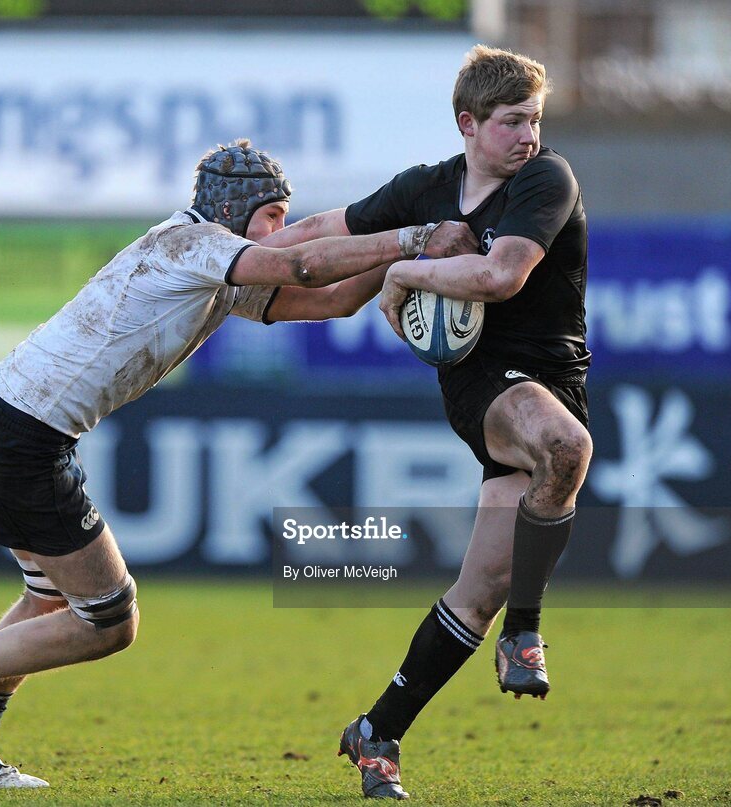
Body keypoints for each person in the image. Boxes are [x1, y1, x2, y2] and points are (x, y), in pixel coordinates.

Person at [0, 139, 477, 789]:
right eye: (274, 215)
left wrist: (404, 266)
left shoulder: (212, 264)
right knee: (109, 619)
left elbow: (330, 299)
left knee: (50, 598)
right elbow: (303, 264)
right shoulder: (192, 245)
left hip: (12, 422)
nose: (281, 228)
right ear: (237, 210)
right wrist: (416, 237)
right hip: (21, 435)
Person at [270, 46, 592, 799]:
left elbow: (501, 275)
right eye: (511, 122)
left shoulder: (547, 179)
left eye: (534, 120)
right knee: (565, 447)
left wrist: (403, 271)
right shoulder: (427, 186)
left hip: (556, 380)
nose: (528, 136)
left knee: (477, 591)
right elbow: (328, 225)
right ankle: (526, 632)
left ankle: (376, 732)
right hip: (482, 381)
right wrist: (234, 258)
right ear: (468, 125)